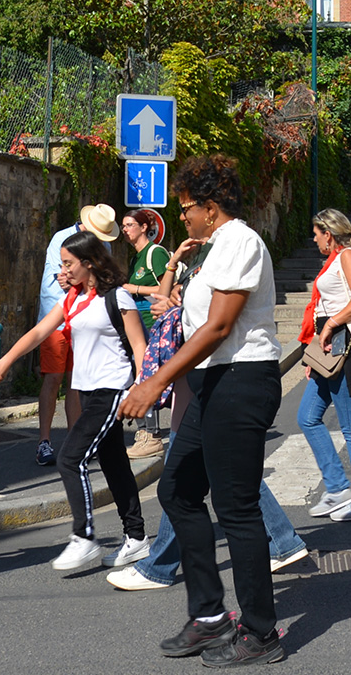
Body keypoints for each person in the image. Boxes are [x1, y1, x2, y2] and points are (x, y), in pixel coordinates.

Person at [123, 155, 285, 666]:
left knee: (237, 508)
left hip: (242, 380)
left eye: (187, 207)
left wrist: (155, 381)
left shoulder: (239, 243)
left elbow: (217, 328)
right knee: (177, 491)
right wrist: (179, 265)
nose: (183, 216)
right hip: (216, 381)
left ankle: (261, 632)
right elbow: (189, 317)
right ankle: (211, 616)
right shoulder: (214, 249)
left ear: (211, 208)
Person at [0, 232, 150, 572]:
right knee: (114, 463)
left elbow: (139, 347)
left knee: (70, 459)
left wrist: (140, 388)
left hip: (112, 390)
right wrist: (4, 362)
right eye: (62, 264)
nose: (62, 270)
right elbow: (38, 333)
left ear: (89, 263)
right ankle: (136, 537)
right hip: (86, 390)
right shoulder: (73, 299)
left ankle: (84, 536)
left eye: (68, 264)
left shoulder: (118, 298)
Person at [299, 209, 351, 521]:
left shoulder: (347, 256)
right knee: (307, 417)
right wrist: (316, 350)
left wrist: (331, 325)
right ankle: (337, 488)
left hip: (344, 343)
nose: (315, 239)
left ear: (328, 234)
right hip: (328, 347)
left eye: (317, 234)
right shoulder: (334, 259)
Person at [35, 204, 121, 466]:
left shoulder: (102, 246)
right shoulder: (62, 240)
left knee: (76, 381)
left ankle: (75, 442)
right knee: (53, 378)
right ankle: (44, 442)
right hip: (57, 320)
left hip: (84, 321)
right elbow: (63, 280)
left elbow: (103, 280)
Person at [120, 208, 172, 459]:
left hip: (153, 321)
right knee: (139, 372)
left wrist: (133, 287)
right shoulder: (136, 258)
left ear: (144, 227)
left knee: (147, 373)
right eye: (123, 226)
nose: (125, 230)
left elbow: (166, 287)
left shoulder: (155, 253)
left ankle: (151, 434)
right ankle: (146, 430)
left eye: (130, 225)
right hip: (138, 323)